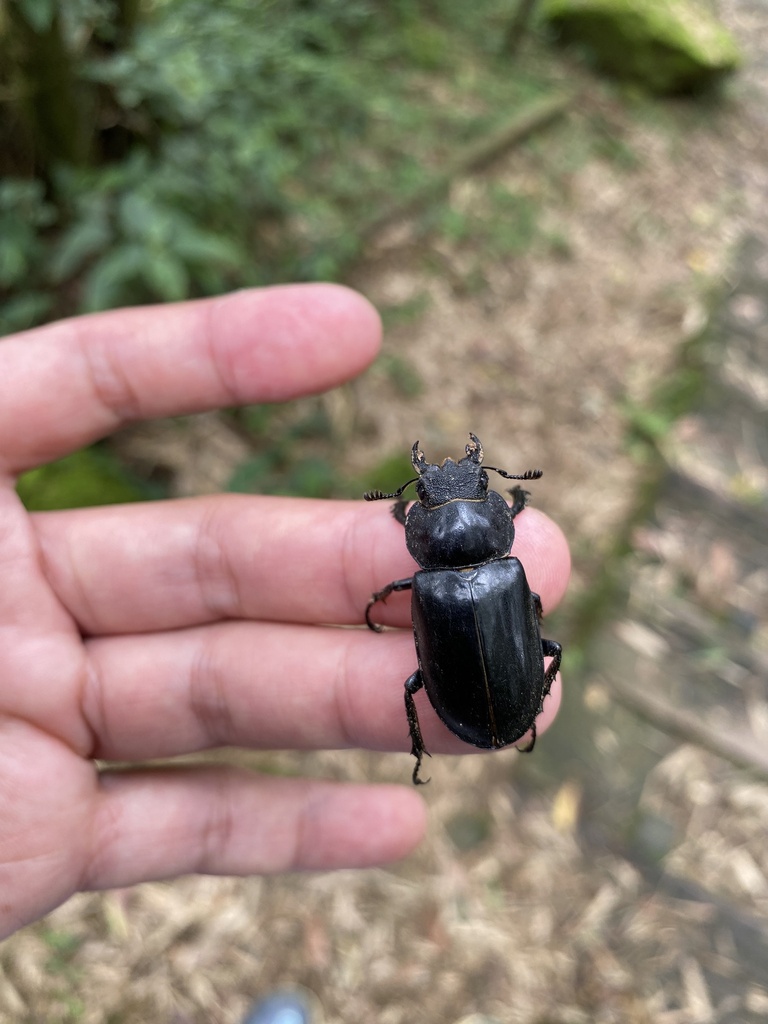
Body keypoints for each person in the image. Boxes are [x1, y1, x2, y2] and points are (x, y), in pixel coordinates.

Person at [0, 283, 569, 941]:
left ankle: (458, 733)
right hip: (492, 684)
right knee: (541, 653)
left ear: (424, 532)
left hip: (469, 693)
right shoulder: (502, 572)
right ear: (497, 517)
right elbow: (528, 612)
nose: (449, 486)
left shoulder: (427, 586)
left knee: (424, 685)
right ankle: (500, 718)